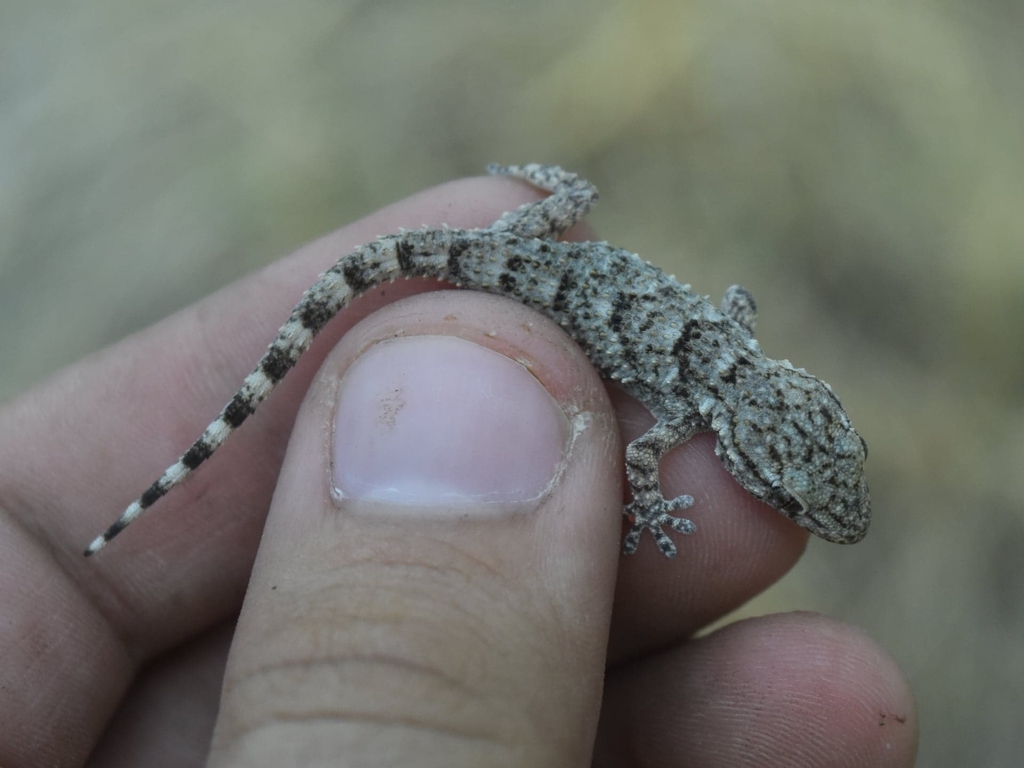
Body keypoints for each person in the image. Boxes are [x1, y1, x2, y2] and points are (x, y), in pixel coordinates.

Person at [0, 175, 917, 766]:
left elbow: (721, 326)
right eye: (794, 493)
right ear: (759, 453)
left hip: (532, 241)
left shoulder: (725, 355)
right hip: (512, 278)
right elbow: (637, 457)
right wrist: (648, 511)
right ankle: (167, 480)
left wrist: (554, 207)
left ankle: (547, 200)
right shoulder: (686, 410)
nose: (795, 509)